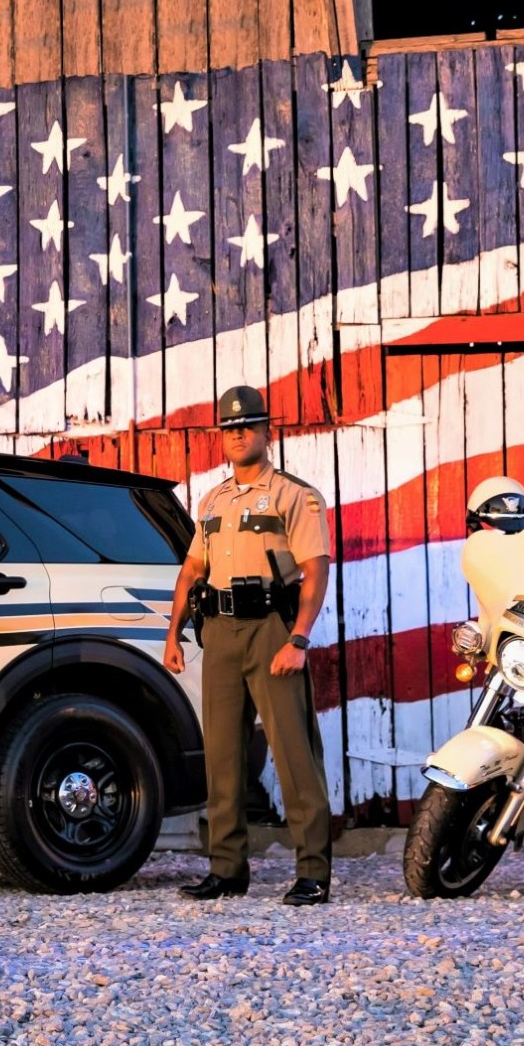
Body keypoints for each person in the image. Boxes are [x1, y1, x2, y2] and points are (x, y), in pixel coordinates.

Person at [161, 385, 335, 905]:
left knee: (292, 751)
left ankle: (313, 872)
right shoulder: (212, 500)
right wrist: (172, 634)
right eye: (229, 428)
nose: (238, 435)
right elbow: (193, 568)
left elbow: (314, 568)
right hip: (220, 633)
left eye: (247, 426)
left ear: (266, 432)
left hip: (270, 632)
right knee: (222, 754)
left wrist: (299, 638)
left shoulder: (292, 495)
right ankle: (227, 869)